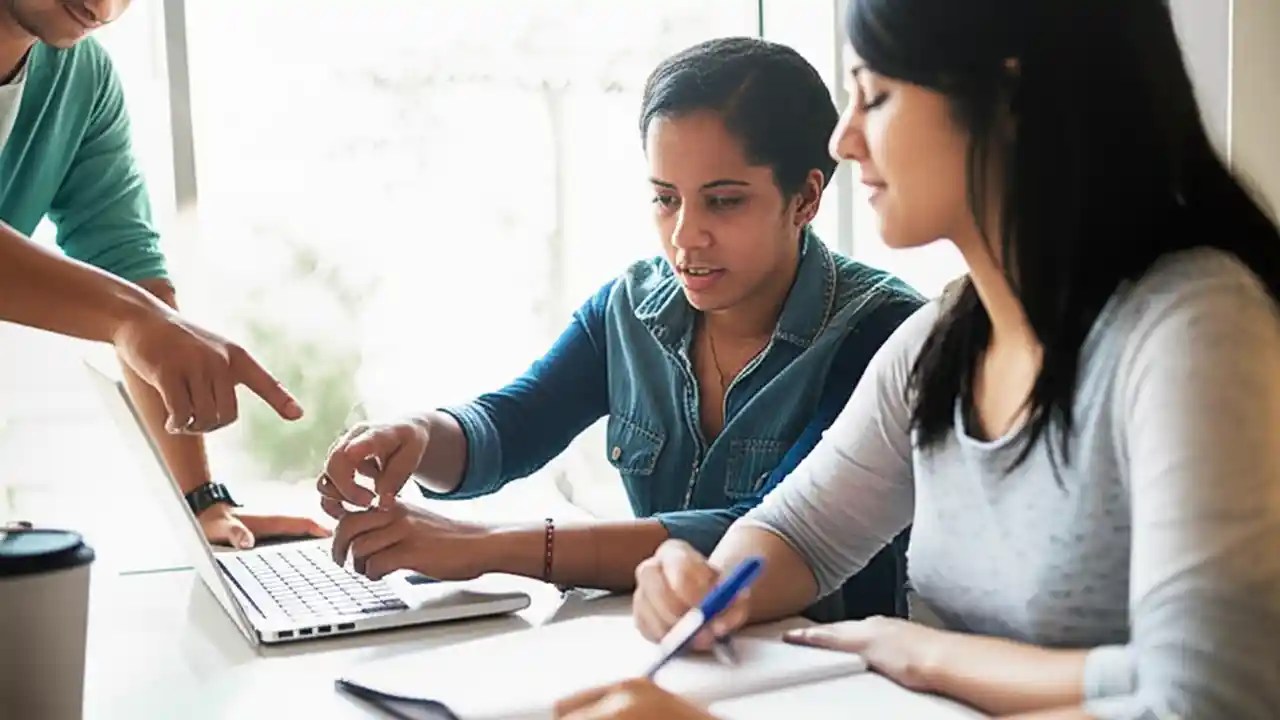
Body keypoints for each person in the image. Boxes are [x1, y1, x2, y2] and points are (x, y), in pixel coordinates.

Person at [578, 0, 1280, 718]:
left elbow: (1210, 702)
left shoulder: (1192, 327)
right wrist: (707, 583)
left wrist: (933, 655)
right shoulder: (941, 338)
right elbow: (797, 533)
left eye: (874, 96)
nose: (845, 139)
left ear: (1008, 97)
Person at [317, 37, 923, 620]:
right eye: (666, 199)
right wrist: (416, 437)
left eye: (723, 201)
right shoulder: (630, 308)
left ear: (805, 200)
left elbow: (763, 535)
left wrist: (486, 546)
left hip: (826, 671)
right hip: (672, 649)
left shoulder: (882, 331)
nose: (685, 236)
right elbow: (512, 426)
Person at [0, 1, 329, 547]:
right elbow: (132, 307)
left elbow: (129, 267)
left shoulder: (82, 77)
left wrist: (203, 501)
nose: (104, 6)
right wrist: (130, 317)